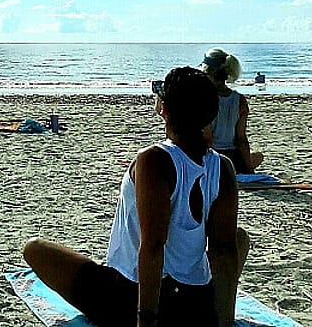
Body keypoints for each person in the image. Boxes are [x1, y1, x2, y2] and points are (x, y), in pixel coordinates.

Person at [23, 67, 249, 327]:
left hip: (133, 296)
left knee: (36, 248)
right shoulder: (223, 167)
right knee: (237, 238)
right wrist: (223, 322)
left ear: (164, 108)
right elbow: (223, 250)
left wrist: (146, 320)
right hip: (194, 303)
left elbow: (153, 246)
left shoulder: (155, 160)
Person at [201, 48, 264, 173]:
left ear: (208, 72)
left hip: (212, 157)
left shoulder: (204, 98)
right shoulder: (239, 100)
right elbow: (241, 139)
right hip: (233, 157)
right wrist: (249, 170)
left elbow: (207, 139)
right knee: (258, 156)